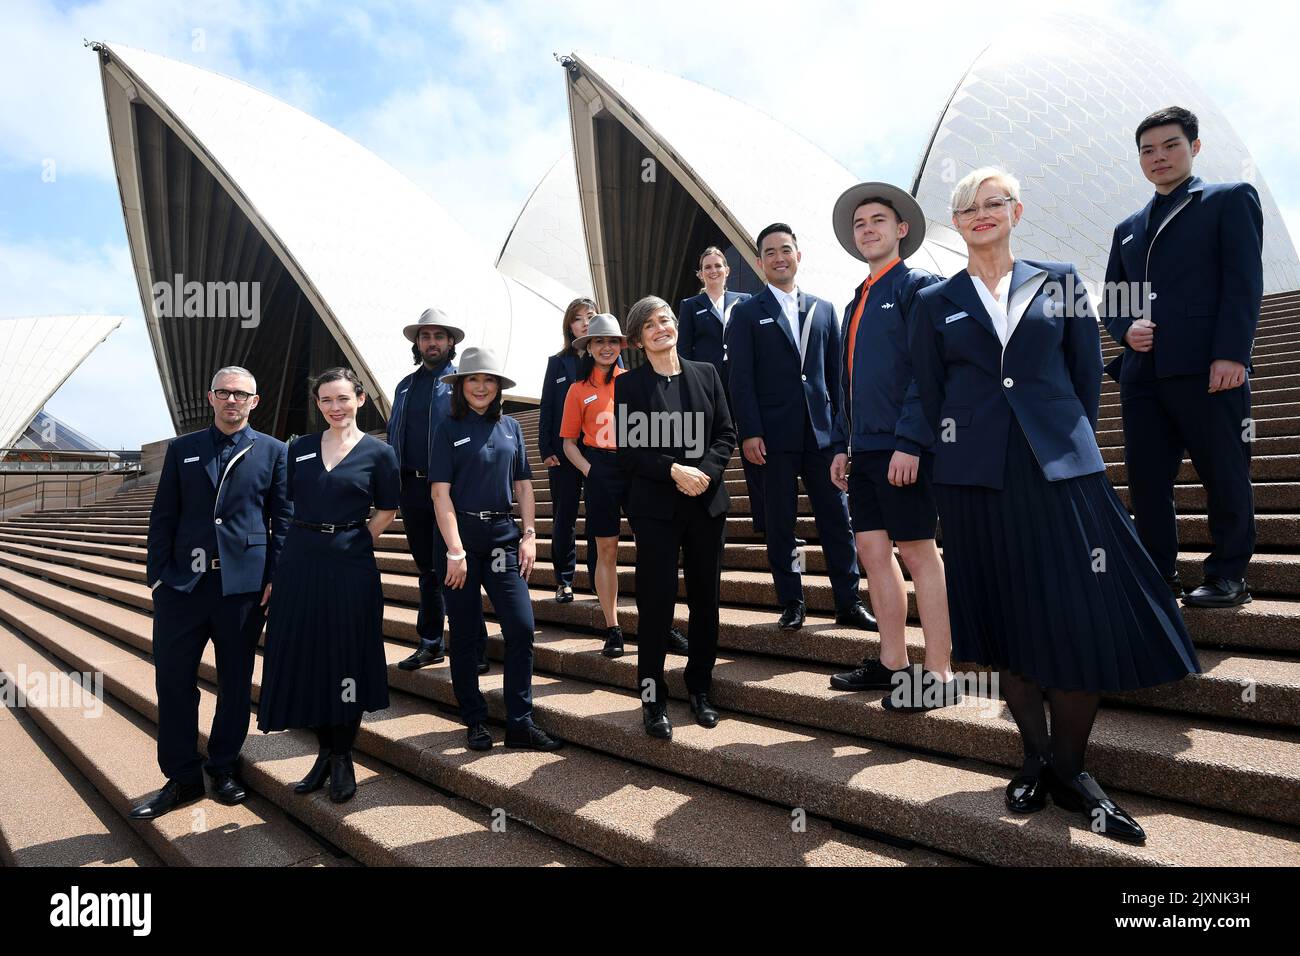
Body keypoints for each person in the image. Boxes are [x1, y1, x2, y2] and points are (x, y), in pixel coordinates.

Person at [909, 167, 1201, 844]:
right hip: (974, 477)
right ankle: (1034, 758)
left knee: (1075, 616)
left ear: (1015, 210)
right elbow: (930, 392)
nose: (982, 214)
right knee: (1008, 620)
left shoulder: (1060, 280)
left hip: (1058, 467)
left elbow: (1078, 379)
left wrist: (1061, 443)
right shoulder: (934, 300)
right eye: (968, 207)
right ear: (956, 222)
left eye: (994, 203)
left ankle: (1069, 768)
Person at [1100, 106, 1263, 608]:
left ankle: (1229, 574)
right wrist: (1128, 331)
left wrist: (1232, 355)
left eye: (1170, 145)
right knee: (1148, 481)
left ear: (1194, 147)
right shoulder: (1128, 227)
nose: (1159, 157)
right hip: (1143, 376)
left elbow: (1243, 284)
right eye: (1148, 150)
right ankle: (1157, 573)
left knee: (1224, 471)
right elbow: (1113, 299)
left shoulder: (1228, 199)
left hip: (1207, 368)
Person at [132, 367, 291, 819]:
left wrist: (274, 577)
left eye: (241, 394)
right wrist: (158, 577)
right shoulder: (183, 450)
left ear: (254, 401)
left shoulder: (275, 452)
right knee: (174, 682)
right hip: (182, 588)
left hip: (241, 589)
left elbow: (283, 518)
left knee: (236, 683)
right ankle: (181, 777)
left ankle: (222, 767)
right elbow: (162, 517)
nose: (231, 400)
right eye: (224, 392)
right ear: (210, 397)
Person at [826, 183, 958, 710]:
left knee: (919, 553)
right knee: (872, 552)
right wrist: (841, 443)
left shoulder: (919, 287)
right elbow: (847, 382)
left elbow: (927, 375)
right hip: (862, 452)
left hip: (903, 450)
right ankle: (892, 663)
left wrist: (910, 441)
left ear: (901, 230)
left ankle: (941, 672)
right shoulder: (855, 299)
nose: (868, 229)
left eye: (878, 220)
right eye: (860, 224)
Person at [257, 368, 400, 804]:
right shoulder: (297, 448)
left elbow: (388, 509)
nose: (334, 408)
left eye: (342, 398)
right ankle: (323, 751)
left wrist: (354, 539)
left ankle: (342, 755)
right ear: (318, 404)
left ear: (359, 398)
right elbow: (279, 503)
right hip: (300, 559)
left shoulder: (379, 453)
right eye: (325, 401)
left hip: (350, 565)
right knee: (305, 655)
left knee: (346, 658)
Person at [726, 222, 876, 633]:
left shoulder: (825, 309)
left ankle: (849, 601)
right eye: (770, 252)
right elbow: (741, 379)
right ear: (759, 262)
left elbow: (837, 377)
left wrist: (842, 436)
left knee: (837, 520)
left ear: (798, 255)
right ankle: (792, 602)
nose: (779, 257)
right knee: (781, 522)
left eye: (785, 250)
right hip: (772, 438)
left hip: (823, 435)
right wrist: (750, 431)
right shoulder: (746, 313)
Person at [615, 297, 737, 738]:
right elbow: (630, 450)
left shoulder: (706, 373)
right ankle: (652, 699)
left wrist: (704, 472)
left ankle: (699, 688)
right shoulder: (630, 386)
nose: (660, 327)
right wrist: (673, 468)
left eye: (665, 319)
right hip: (657, 510)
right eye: (649, 325)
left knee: (706, 601)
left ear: (676, 326)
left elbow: (726, 433)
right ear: (638, 339)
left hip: (705, 503)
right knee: (655, 605)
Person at [430, 347, 563, 752]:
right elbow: (440, 494)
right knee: (467, 634)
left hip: (503, 538)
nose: (481, 386)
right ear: (461, 386)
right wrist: (455, 549)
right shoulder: (447, 428)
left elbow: (523, 485)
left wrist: (529, 534)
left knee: (521, 627)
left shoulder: (511, 428)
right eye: (473, 379)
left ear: (498, 387)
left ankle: (520, 722)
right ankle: (474, 720)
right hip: (462, 541)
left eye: (488, 380)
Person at [388, 307, 489, 674]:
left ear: (451, 343)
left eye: (439, 337)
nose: (432, 343)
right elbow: (394, 433)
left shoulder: (459, 385)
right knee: (427, 570)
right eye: (425, 337)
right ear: (418, 343)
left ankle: (474, 645)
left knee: (459, 567)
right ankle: (430, 642)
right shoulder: (404, 386)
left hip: (451, 491)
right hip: (411, 489)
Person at [677, 246, 763, 533]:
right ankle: (705, 520)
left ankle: (764, 521)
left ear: (727, 270)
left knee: (754, 448)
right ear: (700, 274)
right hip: (706, 385)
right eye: (707, 267)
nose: (713, 271)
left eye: (718, 266)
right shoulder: (690, 305)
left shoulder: (745, 301)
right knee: (707, 448)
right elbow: (684, 350)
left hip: (741, 382)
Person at [538, 298, 601, 602]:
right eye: (578, 318)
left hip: (598, 450)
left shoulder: (607, 356)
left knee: (598, 514)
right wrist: (545, 447)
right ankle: (564, 580)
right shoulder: (557, 362)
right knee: (564, 516)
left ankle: (597, 577)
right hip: (563, 452)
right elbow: (548, 406)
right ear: (569, 326)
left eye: (590, 316)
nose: (585, 322)